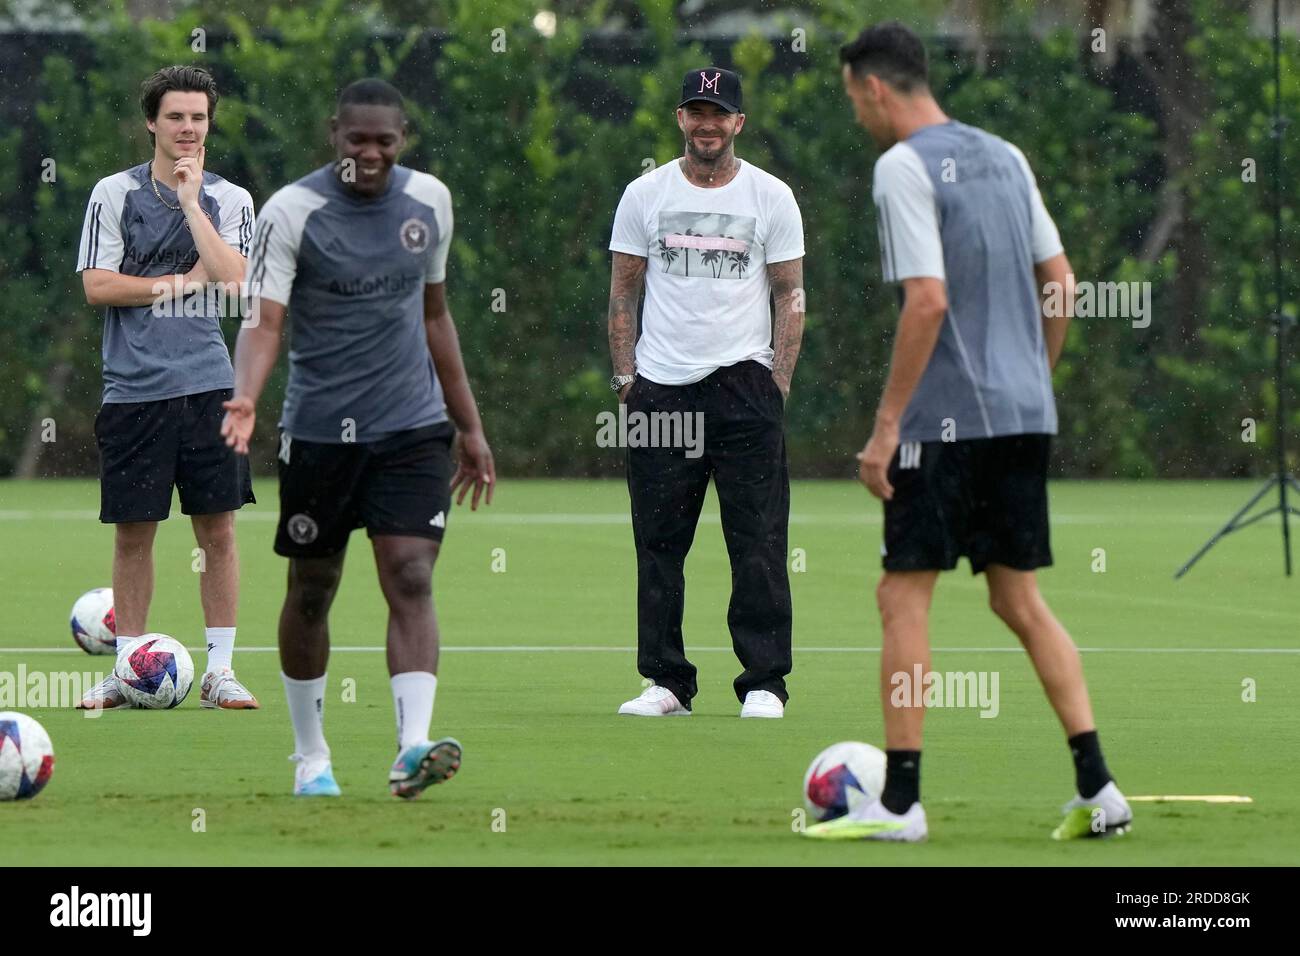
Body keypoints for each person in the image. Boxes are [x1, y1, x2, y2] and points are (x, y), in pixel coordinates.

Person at [806, 22, 1131, 842]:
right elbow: (1062, 283)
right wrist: (1034, 377)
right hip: (1023, 416)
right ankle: (1100, 789)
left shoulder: (901, 167)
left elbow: (927, 300)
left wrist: (884, 431)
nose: (856, 116)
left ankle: (903, 804)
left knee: (902, 595)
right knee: (1019, 598)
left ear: (875, 89)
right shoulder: (1008, 156)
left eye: (853, 100)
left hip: (943, 427)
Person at [221, 78, 495, 797]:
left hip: (411, 425)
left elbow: (436, 315)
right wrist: (246, 395)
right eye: (356, 140)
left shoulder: (430, 202)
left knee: (410, 573)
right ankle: (311, 756)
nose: (369, 154)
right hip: (319, 434)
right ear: (333, 134)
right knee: (312, 589)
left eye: (384, 141)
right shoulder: (292, 211)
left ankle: (412, 748)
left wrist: (468, 425)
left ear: (401, 139)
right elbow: (265, 321)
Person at [608, 67, 805, 719]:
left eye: (718, 113)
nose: (707, 123)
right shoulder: (645, 193)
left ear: (738, 123)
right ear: (680, 120)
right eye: (696, 111)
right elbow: (623, 294)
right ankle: (666, 681)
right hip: (660, 387)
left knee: (757, 539)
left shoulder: (771, 197)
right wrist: (625, 381)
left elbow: (788, 294)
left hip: (744, 386)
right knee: (658, 539)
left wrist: (777, 380)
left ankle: (765, 683)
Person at [75, 65, 259, 711]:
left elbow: (236, 280)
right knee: (134, 533)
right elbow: (98, 286)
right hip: (132, 392)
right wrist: (178, 284)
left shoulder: (229, 199)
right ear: (152, 121)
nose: (187, 128)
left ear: (209, 124)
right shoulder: (113, 194)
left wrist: (189, 202)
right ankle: (129, 668)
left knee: (219, 532)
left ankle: (220, 672)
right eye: (176, 116)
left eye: (198, 117)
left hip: (209, 386)